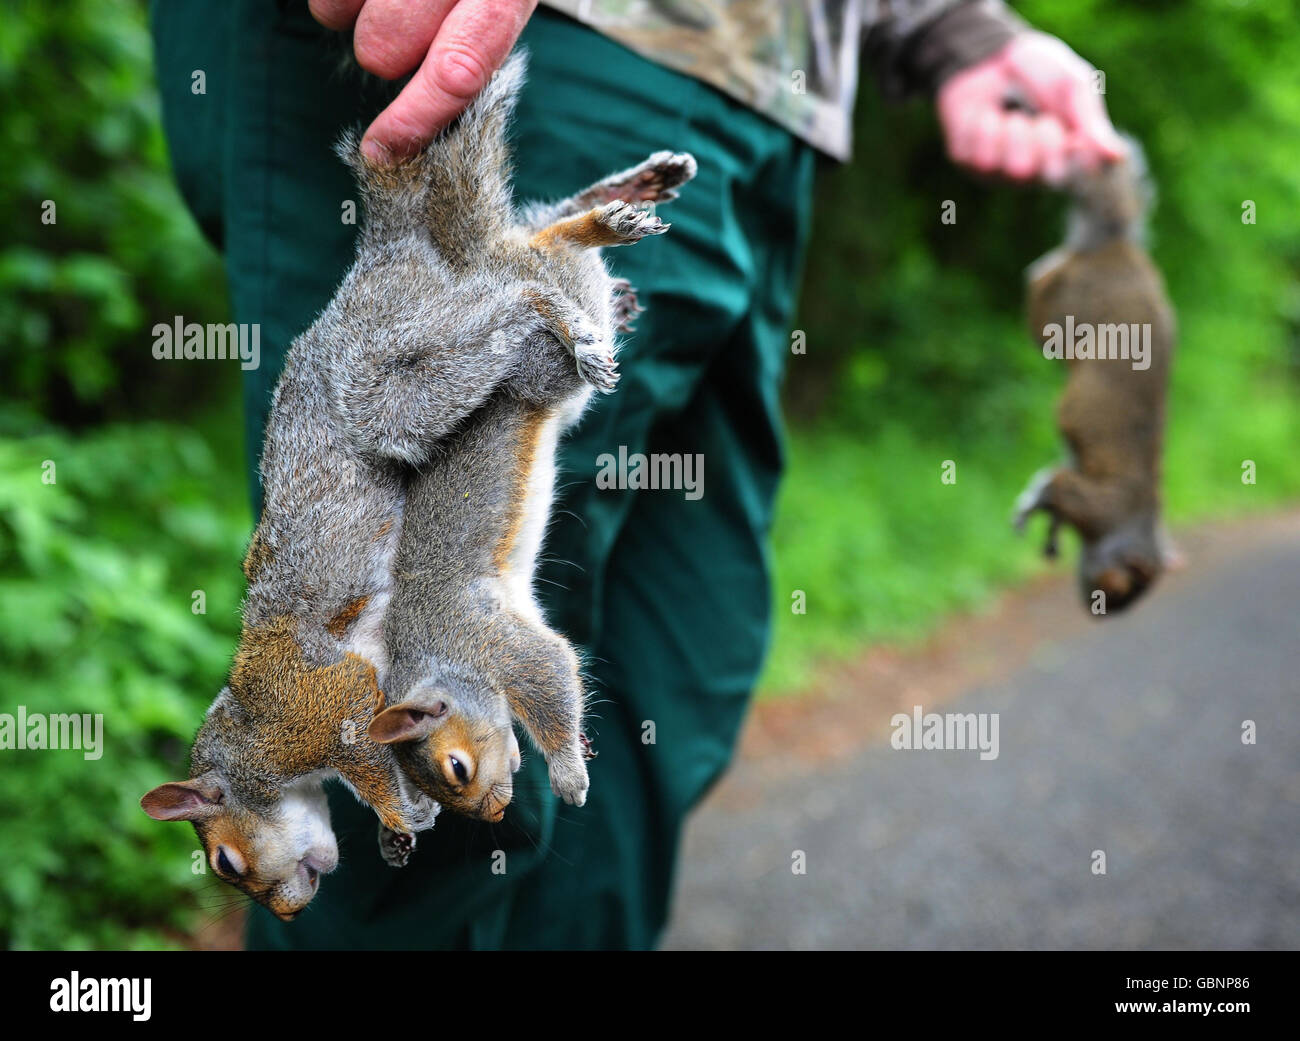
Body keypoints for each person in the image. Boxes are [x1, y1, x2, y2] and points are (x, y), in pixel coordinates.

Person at [150, 0, 1124, 949]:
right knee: (426, 814)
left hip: (769, 98)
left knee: (666, 689)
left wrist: (947, 25)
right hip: (551, 41)